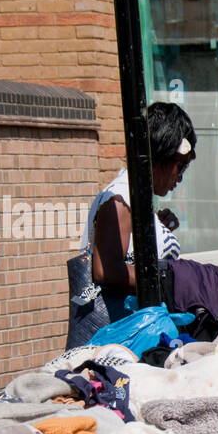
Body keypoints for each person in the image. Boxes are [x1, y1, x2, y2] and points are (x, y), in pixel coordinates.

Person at [81, 101, 196, 317]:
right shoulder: (121, 198)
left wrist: (157, 226)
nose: (180, 177)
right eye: (180, 166)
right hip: (123, 335)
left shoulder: (135, 198)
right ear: (162, 154)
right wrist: (172, 281)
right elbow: (106, 269)